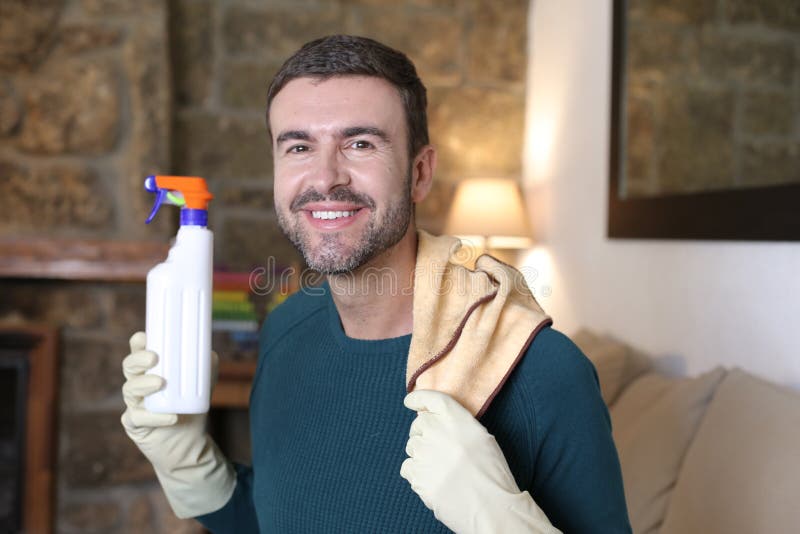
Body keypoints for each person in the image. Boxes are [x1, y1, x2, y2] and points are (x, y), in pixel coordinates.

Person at [121, 35, 632, 533]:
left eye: (360, 144)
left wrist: (501, 522)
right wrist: (188, 462)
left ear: (420, 173)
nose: (325, 177)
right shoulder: (284, 333)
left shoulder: (542, 371)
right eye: (298, 146)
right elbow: (279, 519)